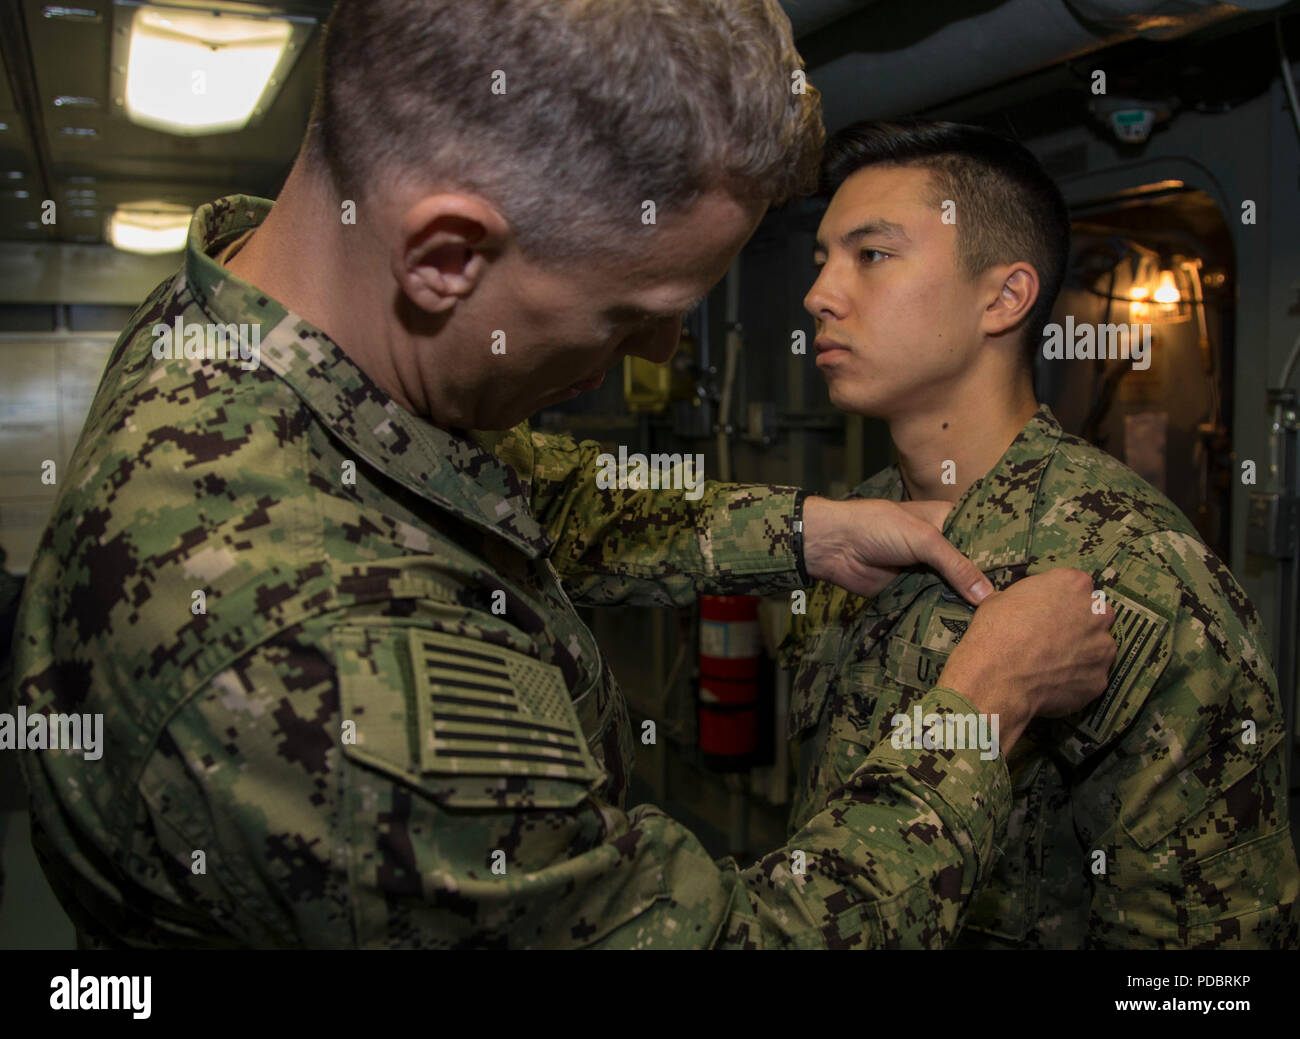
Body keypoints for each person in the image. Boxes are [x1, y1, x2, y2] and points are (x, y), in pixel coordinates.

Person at [11, 1, 1114, 949]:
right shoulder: (324, 671)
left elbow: (502, 492)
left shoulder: (237, 332)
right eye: (631, 315)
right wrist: (981, 706)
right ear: (446, 258)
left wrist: (803, 529)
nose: (639, 359)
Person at [783, 117, 1300, 948]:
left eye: (870, 255)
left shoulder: (1139, 578)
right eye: (821, 260)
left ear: (1004, 297)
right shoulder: (853, 530)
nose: (819, 294)